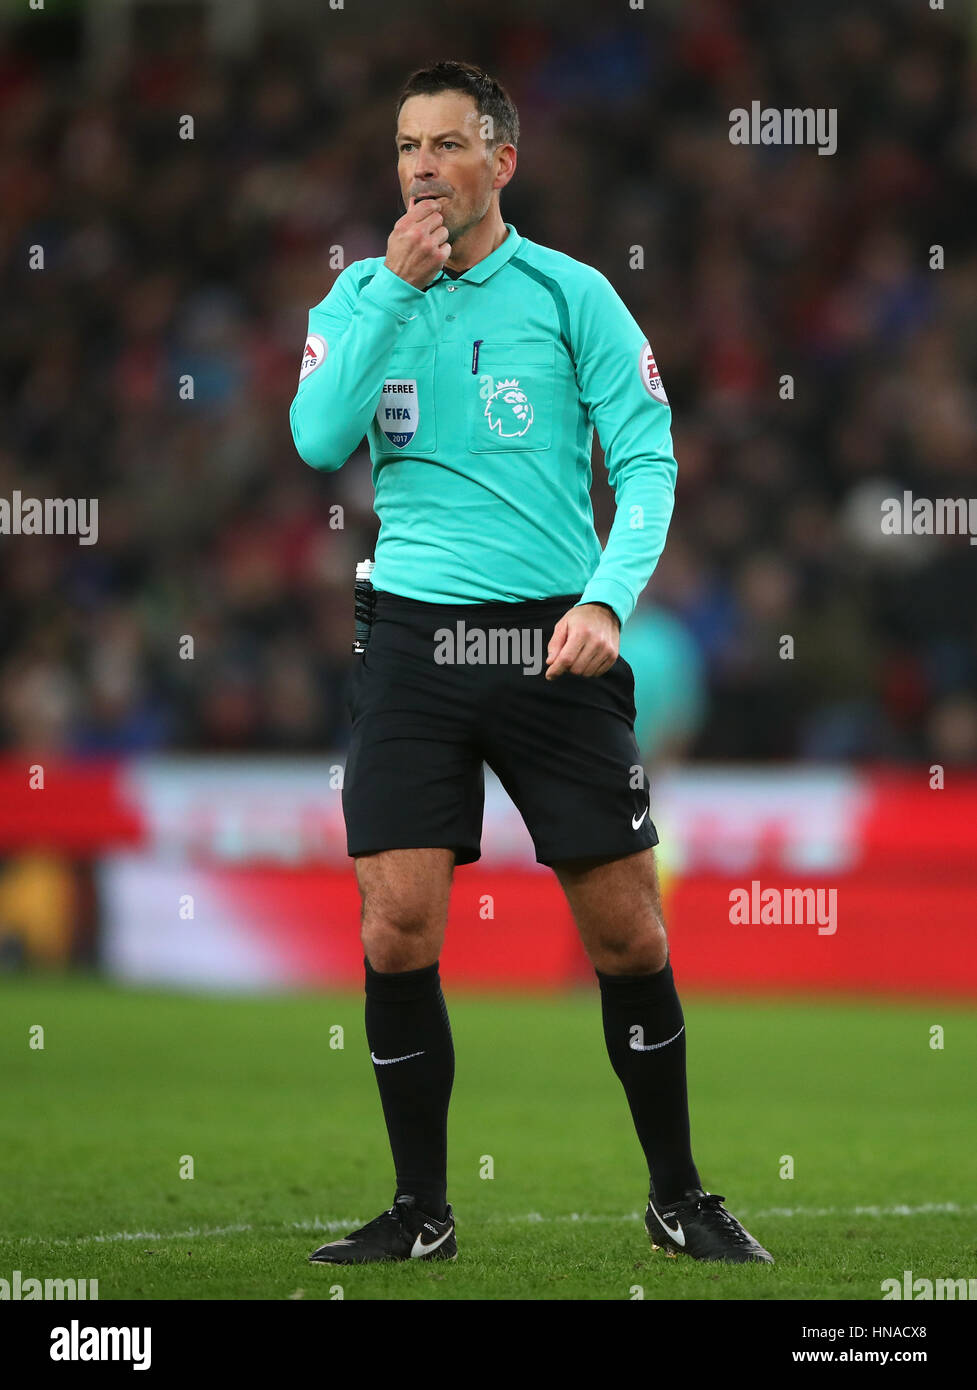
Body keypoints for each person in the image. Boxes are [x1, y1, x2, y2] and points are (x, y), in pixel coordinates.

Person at [289, 60, 772, 1267]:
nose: (418, 168)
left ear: (500, 162)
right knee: (396, 927)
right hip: (408, 636)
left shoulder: (572, 296)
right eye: (406, 146)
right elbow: (313, 438)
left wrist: (609, 599)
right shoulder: (355, 296)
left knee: (627, 936)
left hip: (551, 636)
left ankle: (675, 1196)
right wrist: (390, 300)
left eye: (446, 146)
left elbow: (648, 461)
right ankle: (420, 1213)